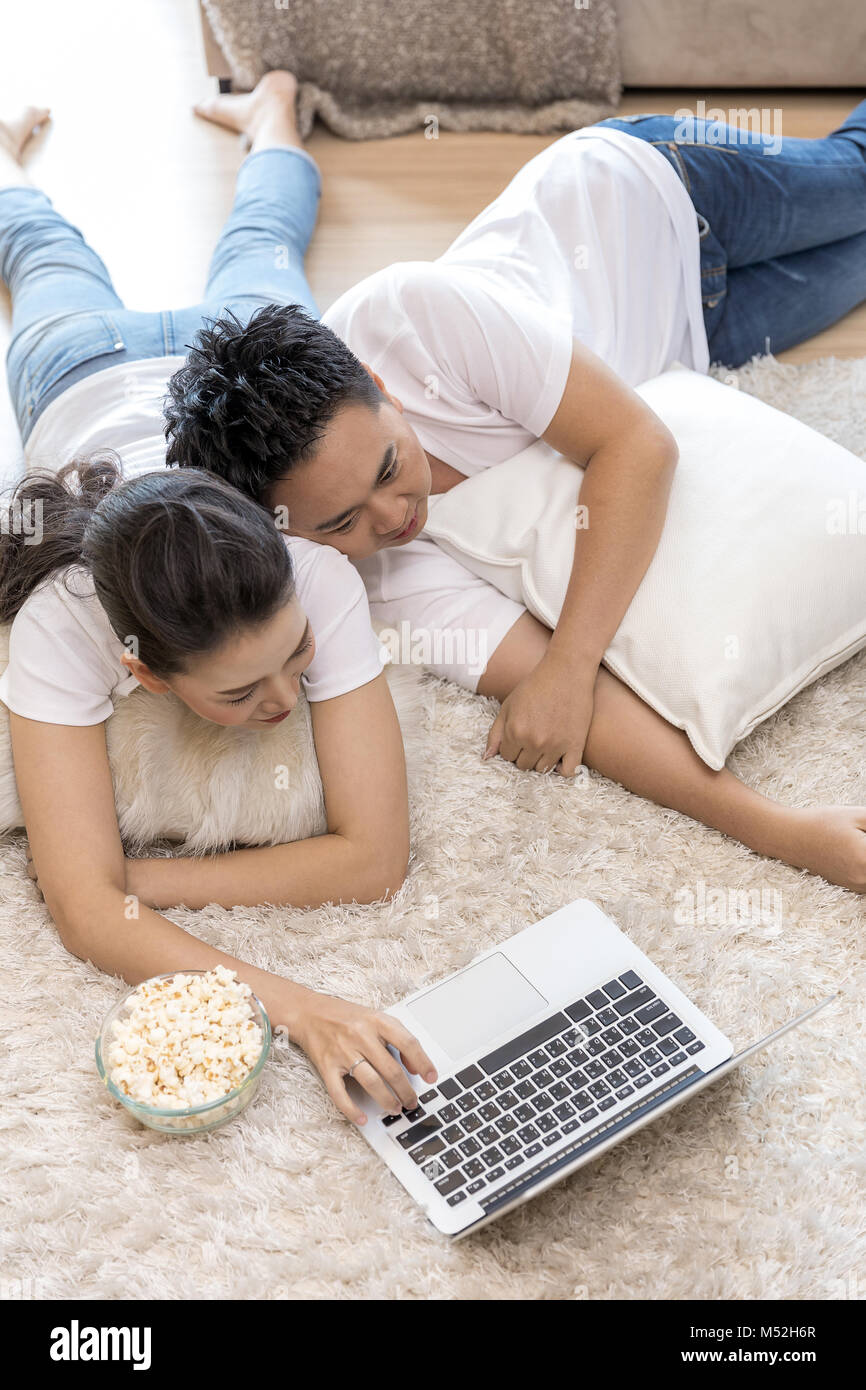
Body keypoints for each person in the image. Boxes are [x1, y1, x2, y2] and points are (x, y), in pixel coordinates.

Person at [3, 80, 866, 895]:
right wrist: (783, 828)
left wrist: (569, 663)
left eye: (387, 467)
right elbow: (584, 710)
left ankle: (272, 114)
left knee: (858, 173)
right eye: (344, 521)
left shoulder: (415, 314)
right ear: (289, 534)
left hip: (656, 198)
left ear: (377, 383)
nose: (397, 517)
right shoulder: (371, 586)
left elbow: (637, 445)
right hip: (696, 326)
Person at [0, 79, 436, 1125]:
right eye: (240, 695)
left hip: (213, 354)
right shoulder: (63, 624)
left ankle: (272, 111)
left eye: (293, 658)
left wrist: (126, 885)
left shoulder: (311, 574)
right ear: (141, 671)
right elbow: (80, 915)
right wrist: (296, 1004)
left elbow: (374, 862)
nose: (291, 698)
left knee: (263, 236)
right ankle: (8, 154)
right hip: (80, 374)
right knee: (41, 255)